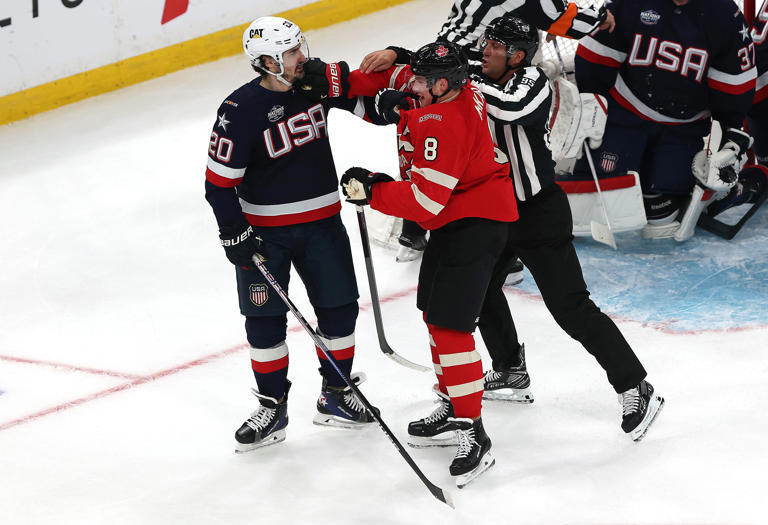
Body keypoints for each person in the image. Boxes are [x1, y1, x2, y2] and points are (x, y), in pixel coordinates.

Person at [340, 41, 519, 487]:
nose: (412, 84)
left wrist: (374, 190)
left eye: (420, 81)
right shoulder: (462, 89)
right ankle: (453, 404)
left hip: (474, 223)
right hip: (465, 217)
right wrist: (401, 79)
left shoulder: (443, 121)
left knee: (451, 328)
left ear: (441, 85)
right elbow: (423, 102)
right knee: (434, 316)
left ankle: (472, 432)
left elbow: (424, 203)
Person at [203, 16, 377, 454]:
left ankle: (336, 397)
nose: (304, 58)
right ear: (266, 61)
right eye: (293, 53)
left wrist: (386, 97)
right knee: (263, 323)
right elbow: (218, 184)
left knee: (338, 311)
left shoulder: (313, 86)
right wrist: (234, 233)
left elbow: (371, 108)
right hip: (266, 237)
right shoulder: (239, 110)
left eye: (301, 48)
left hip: (323, 226)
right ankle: (272, 406)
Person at [358, 0, 614, 270]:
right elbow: (558, 16)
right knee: (474, 151)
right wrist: (600, 16)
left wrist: (400, 55)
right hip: (470, 73)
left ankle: (415, 231)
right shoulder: (498, 56)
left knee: (431, 148)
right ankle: (483, 242)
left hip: (443, 67)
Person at [570, 0, 761, 239]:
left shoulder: (725, 15)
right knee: (596, 197)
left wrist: (731, 130)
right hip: (624, 115)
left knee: (661, 219)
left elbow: (734, 83)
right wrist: (591, 102)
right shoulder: (630, 4)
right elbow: (597, 56)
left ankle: (736, 190)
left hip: (683, 128)